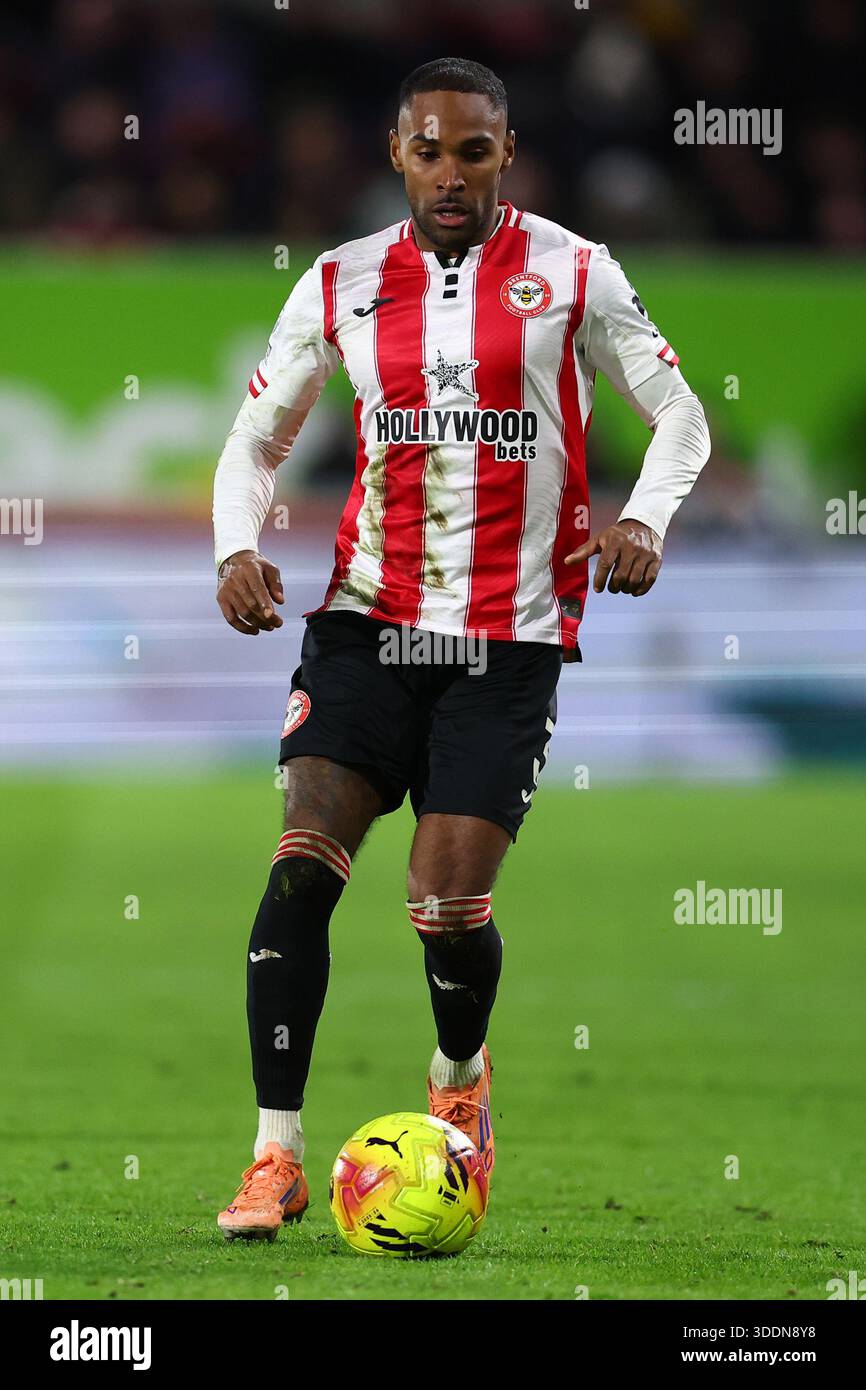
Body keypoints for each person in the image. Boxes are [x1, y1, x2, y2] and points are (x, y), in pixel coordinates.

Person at [212, 56, 710, 1240]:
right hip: (363, 622)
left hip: (509, 636)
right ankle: (272, 1155)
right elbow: (253, 440)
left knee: (442, 902)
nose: (448, 172)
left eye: (471, 150)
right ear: (396, 152)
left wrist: (643, 517)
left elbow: (679, 416)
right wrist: (235, 546)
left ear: (505, 151)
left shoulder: (575, 272)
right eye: (426, 149)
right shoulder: (338, 281)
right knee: (299, 866)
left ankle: (458, 1076)